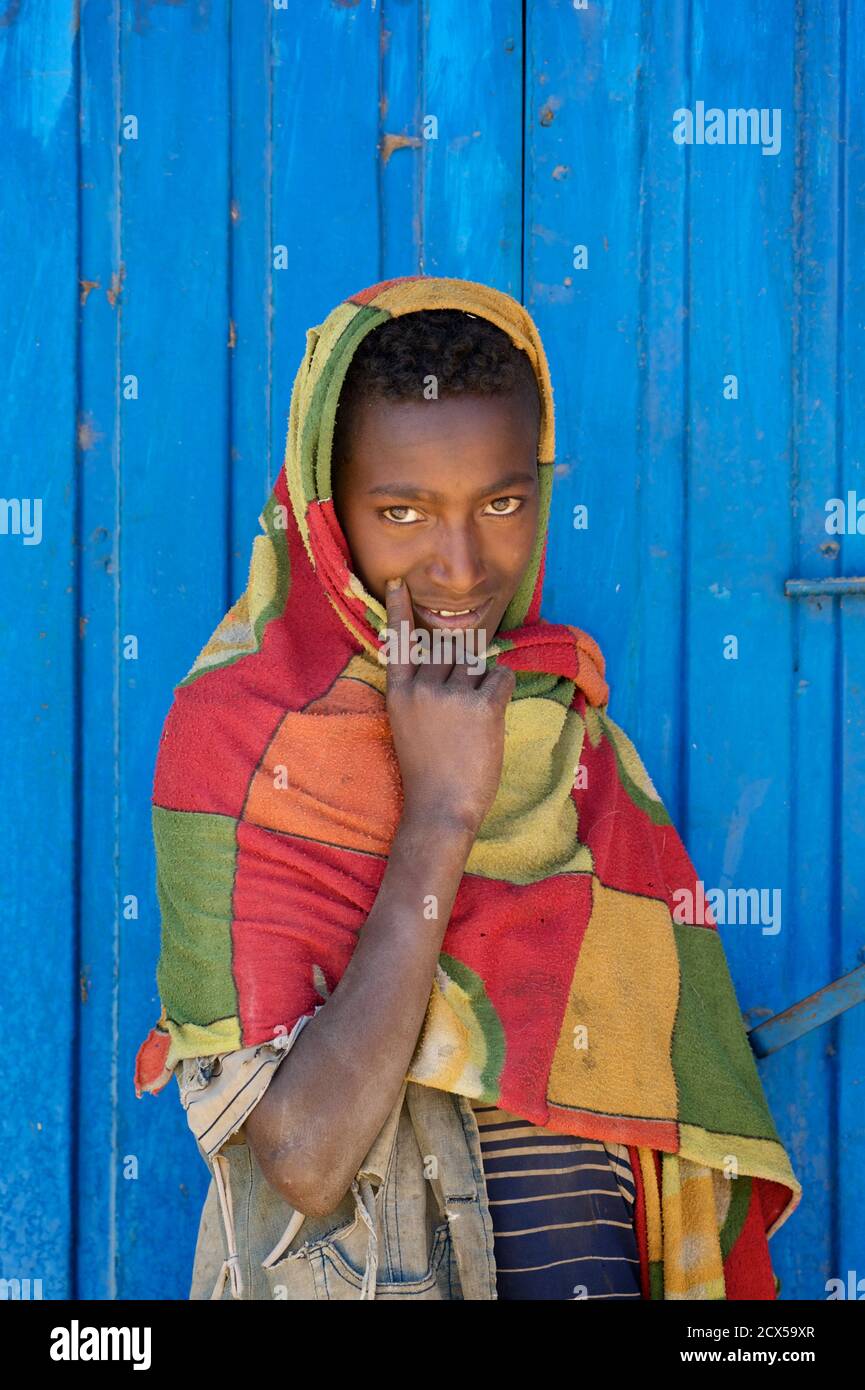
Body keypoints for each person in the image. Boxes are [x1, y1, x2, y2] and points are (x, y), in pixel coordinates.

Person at [135, 275, 801, 1301]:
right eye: (401, 509)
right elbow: (306, 1158)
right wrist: (442, 809)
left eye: (500, 502)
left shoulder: (564, 723)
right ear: (323, 506)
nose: (458, 566)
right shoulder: (239, 741)